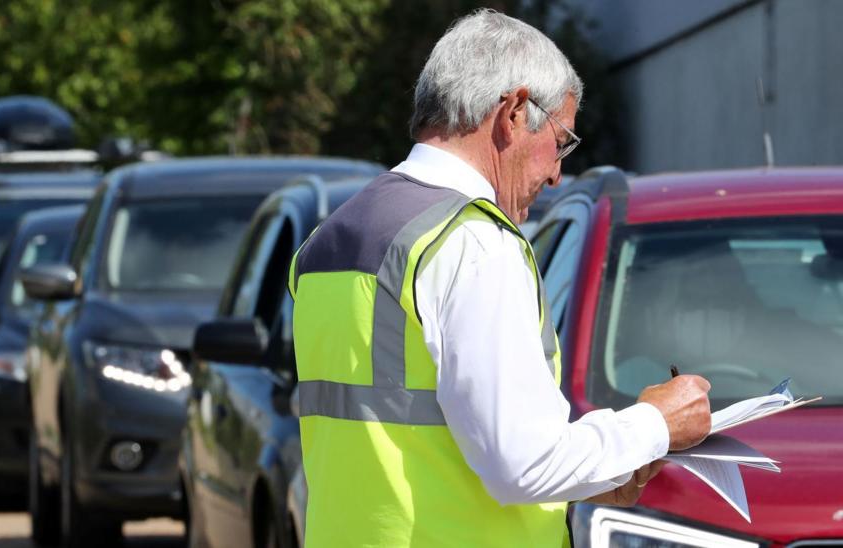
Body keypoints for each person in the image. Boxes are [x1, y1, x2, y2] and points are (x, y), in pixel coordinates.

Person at [288, 9, 712, 547]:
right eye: (561, 141)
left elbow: (431, 446)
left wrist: (592, 475)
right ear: (512, 112)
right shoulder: (473, 241)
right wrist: (654, 424)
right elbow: (520, 462)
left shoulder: (331, 237)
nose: (558, 173)